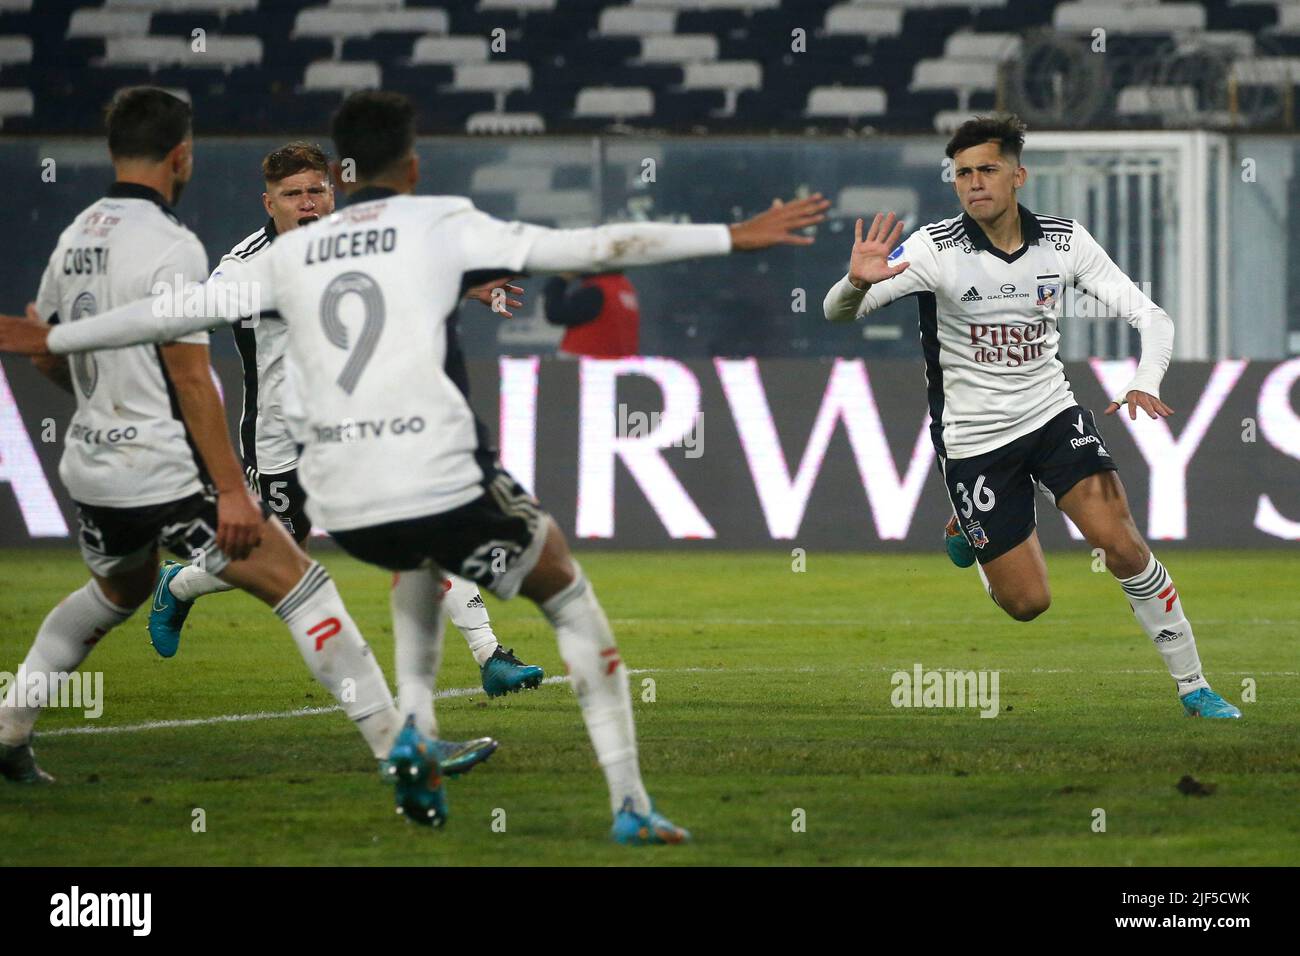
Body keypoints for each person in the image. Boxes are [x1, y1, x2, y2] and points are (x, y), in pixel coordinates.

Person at [0, 89, 831, 839]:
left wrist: (54, 337)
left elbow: (169, 314)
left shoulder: (285, 260)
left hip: (347, 492)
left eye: (316, 186)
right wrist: (734, 234)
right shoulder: (439, 222)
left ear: (340, 175)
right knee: (568, 594)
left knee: (412, 559)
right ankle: (629, 803)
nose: (306, 199)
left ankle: (416, 726)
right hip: (417, 465)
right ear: (415, 163)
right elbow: (594, 241)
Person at [0, 89, 494, 794]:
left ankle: (10, 730)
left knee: (117, 589)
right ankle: (402, 751)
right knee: (307, 587)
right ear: (183, 157)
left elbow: (48, 350)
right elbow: (193, 379)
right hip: (160, 468)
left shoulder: (78, 234)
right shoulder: (175, 247)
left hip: (93, 461)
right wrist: (231, 490)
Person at [822, 114, 1240, 719]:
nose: (974, 183)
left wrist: (1143, 380)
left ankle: (1194, 685)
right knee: (1028, 604)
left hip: (1052, 415)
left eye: (987, 169)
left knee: (1121, 545)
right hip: (973, 440)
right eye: (962, 173)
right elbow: (839, 314)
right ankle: (969, 526)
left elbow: (1151, 317)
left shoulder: (1065, 242)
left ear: (1018, 175)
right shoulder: (933, 250)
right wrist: (854, 285)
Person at [149, 140, 545, 700]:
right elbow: (188, 318)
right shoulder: (242, 270)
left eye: (317, 190)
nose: (308, 203)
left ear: (332, 193)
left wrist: (472, 285)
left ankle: (491, 656)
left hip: (361, 425)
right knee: (279, 556)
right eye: (293, 195)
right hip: (282, 438)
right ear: (270, 204)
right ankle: (182, 583)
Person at [543, 271, 639, 357]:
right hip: (615, 364)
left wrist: (560, 280)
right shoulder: (624, 287)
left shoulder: (598, 290)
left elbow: (555, 313)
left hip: (585, 366)